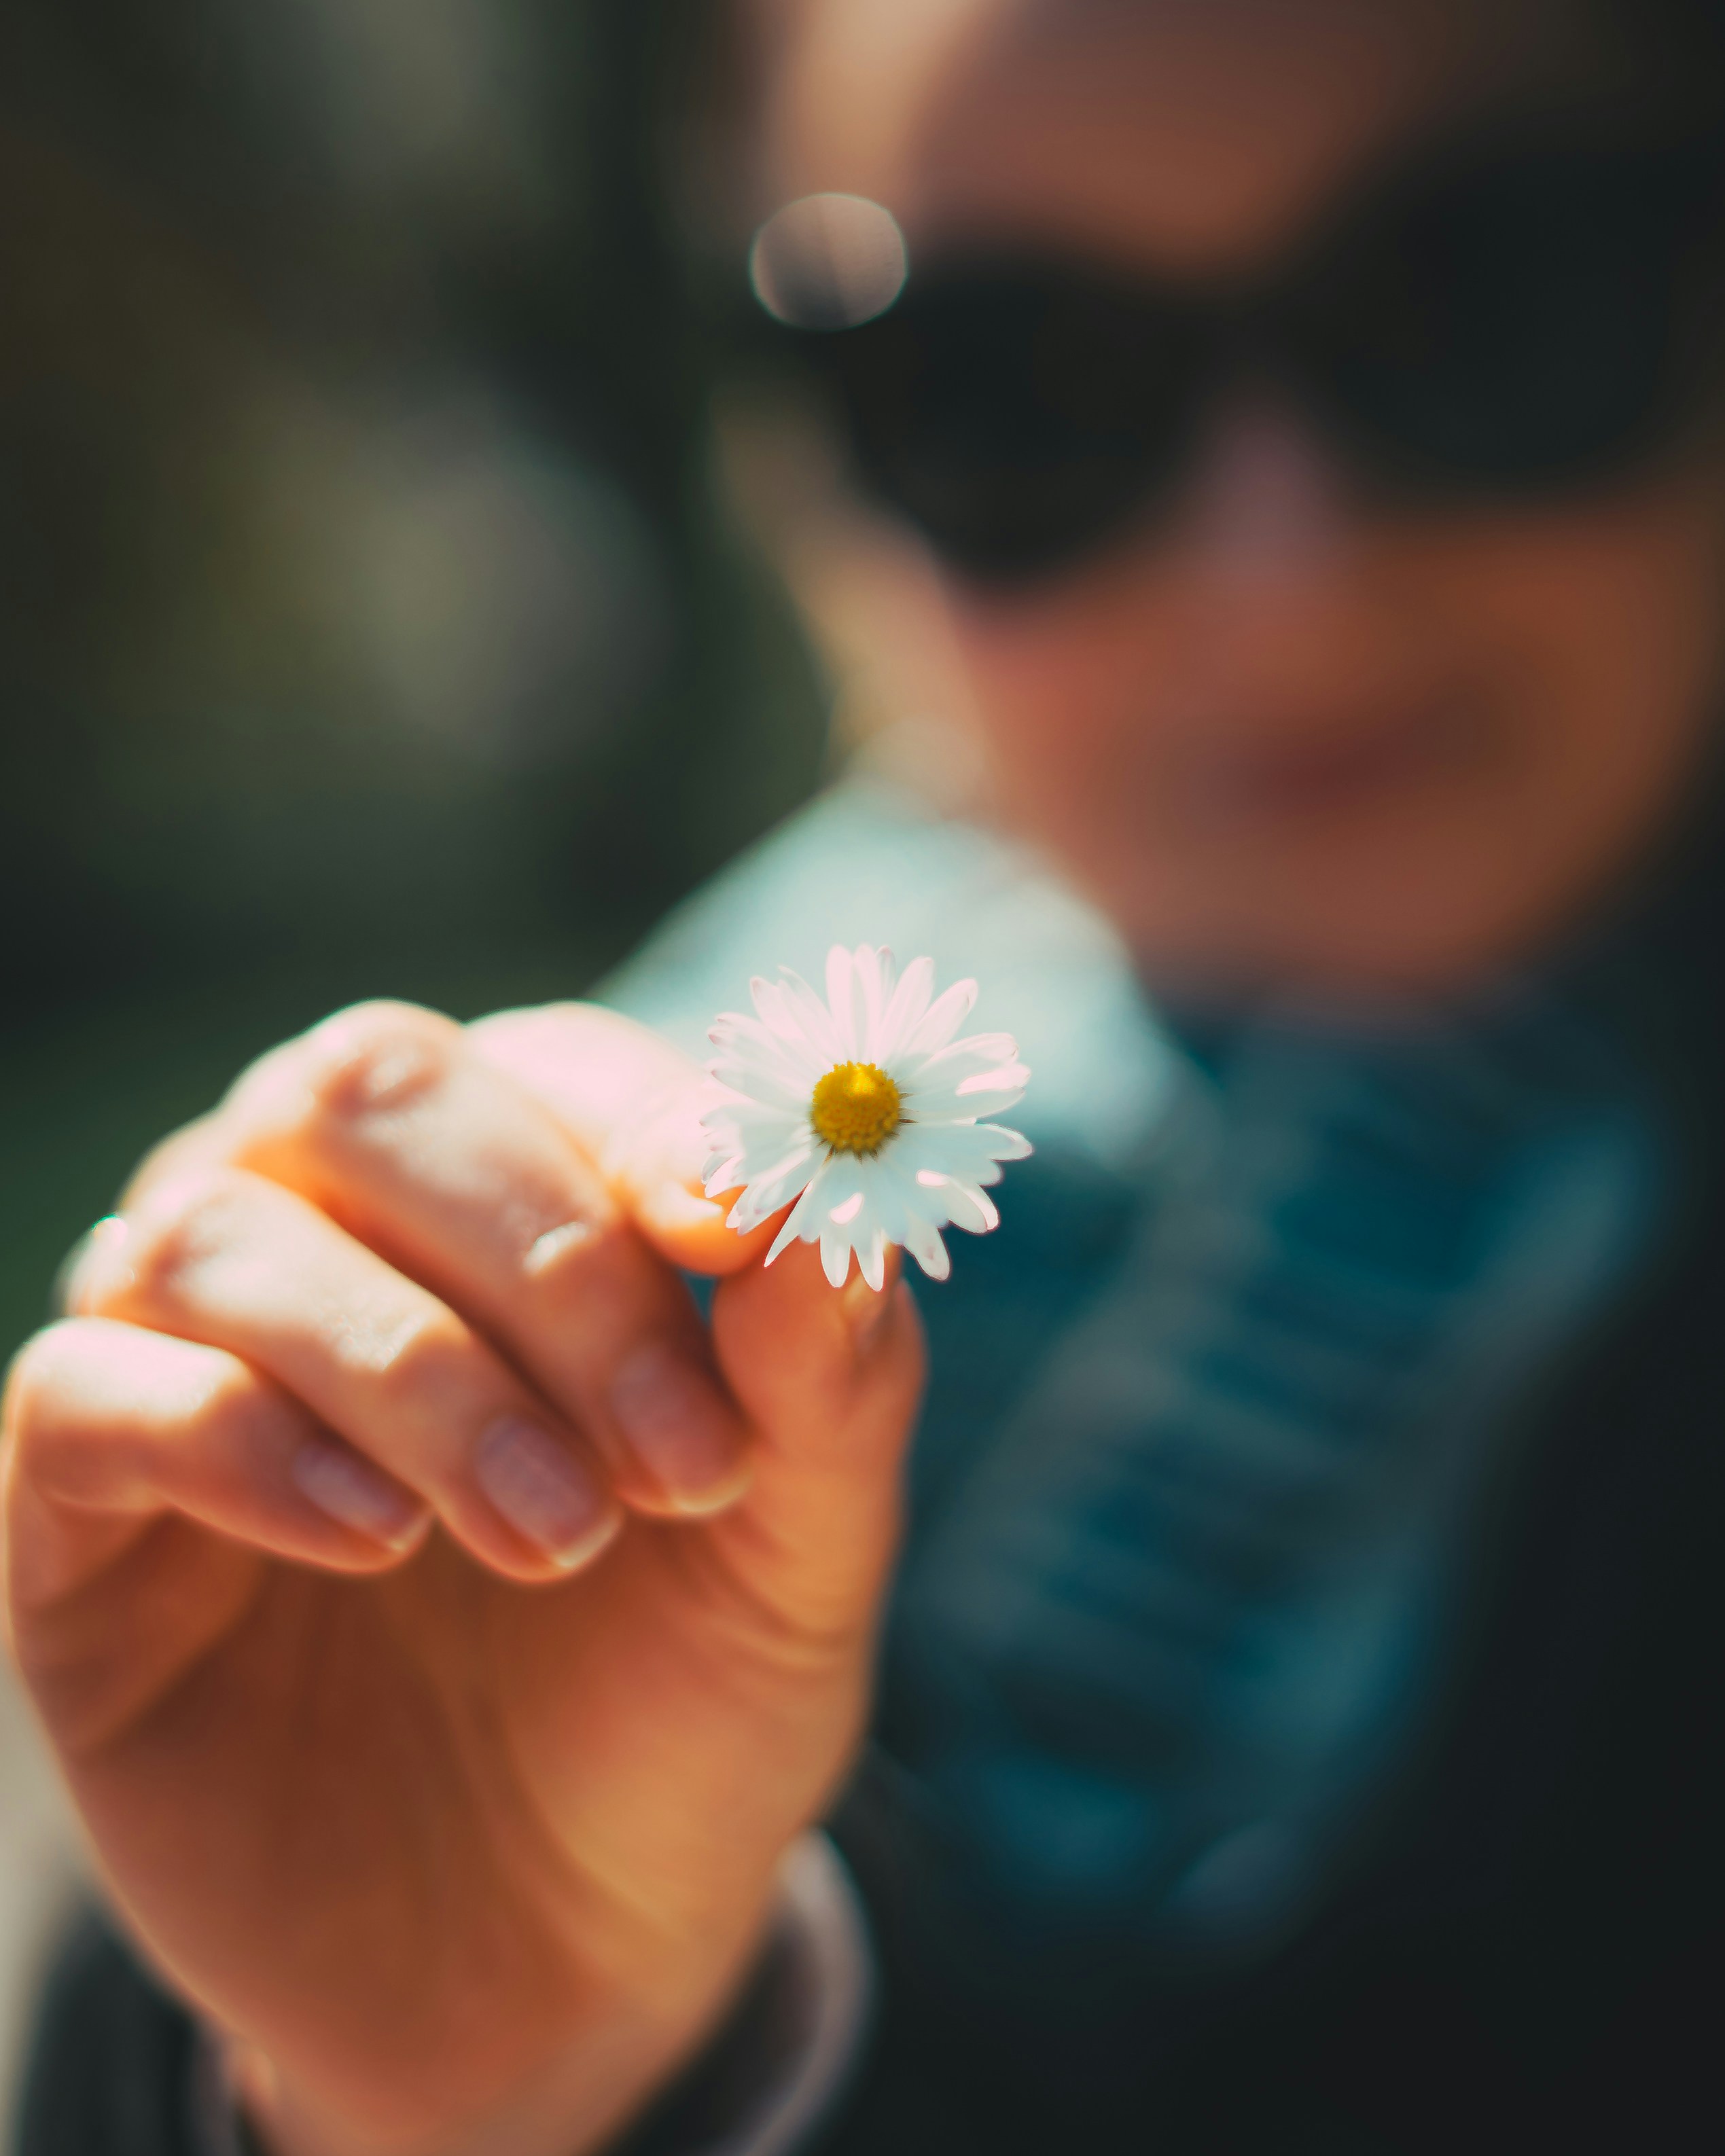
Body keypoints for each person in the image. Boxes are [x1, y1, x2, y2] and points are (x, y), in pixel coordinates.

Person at [8, 0, 1725, 2149]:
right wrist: (487, 2095)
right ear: (801, 486)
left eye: (1485, 301)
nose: (1285, 571)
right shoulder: (570, 1310)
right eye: (1009, 392)